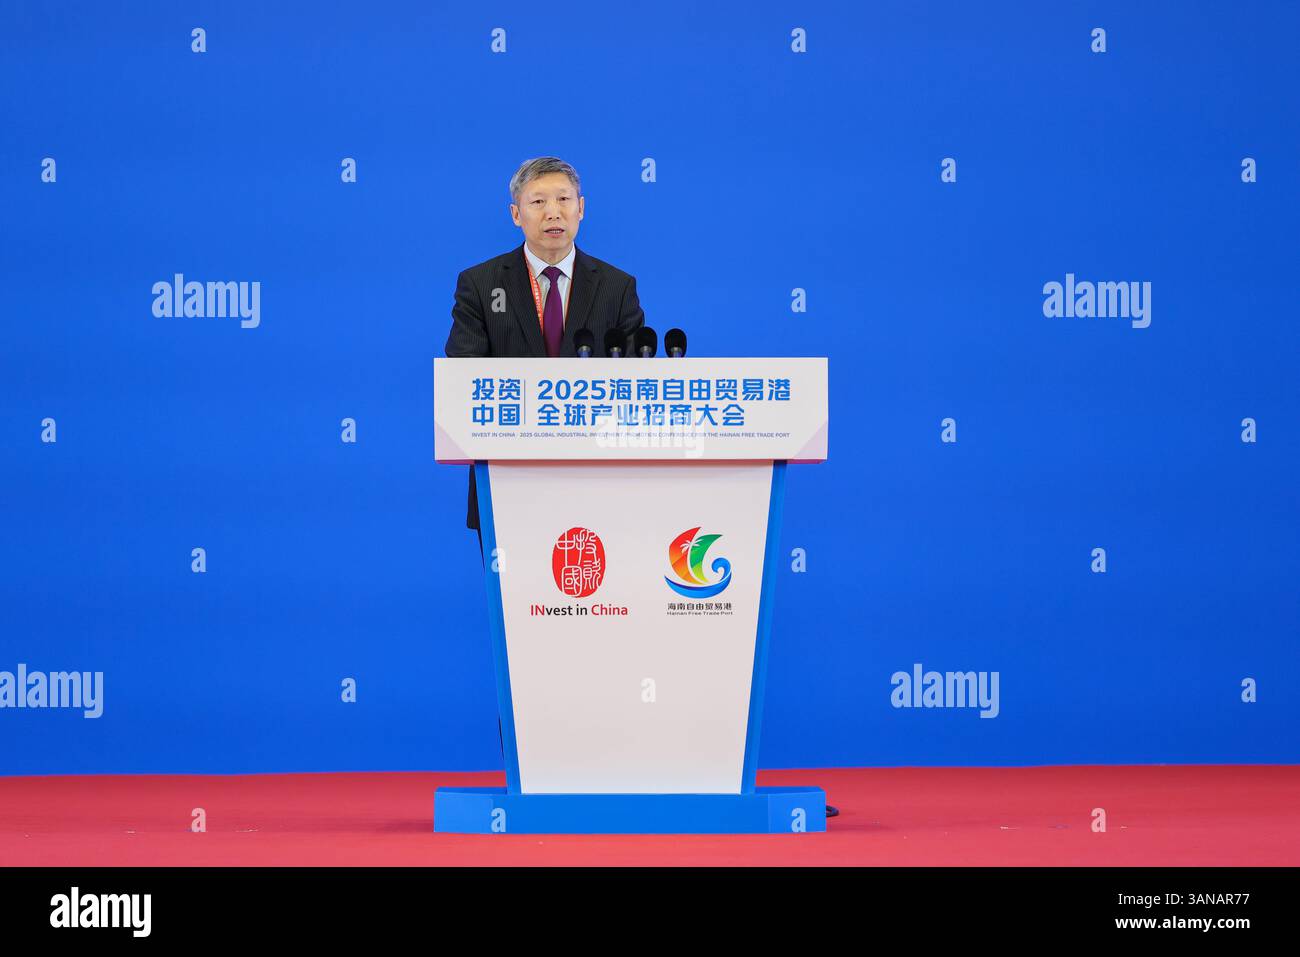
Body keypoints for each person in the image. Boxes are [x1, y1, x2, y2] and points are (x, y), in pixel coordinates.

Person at [444, 156, 647, 540]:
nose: (553, 212)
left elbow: (638, 379)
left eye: (564, 200)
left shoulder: (618, 287)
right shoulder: (480, 284)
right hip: (508, 479)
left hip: (599, 479)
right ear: (516, 214)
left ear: (581, 209)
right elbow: (464, 377)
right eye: (538, 202)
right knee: (515, 600)